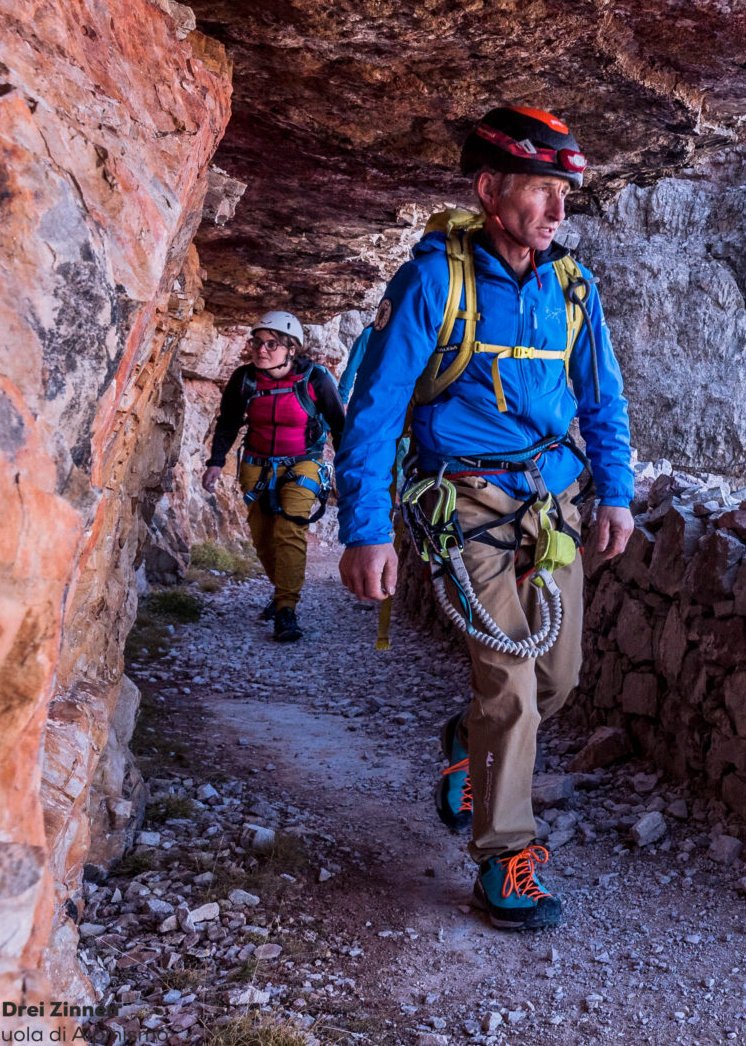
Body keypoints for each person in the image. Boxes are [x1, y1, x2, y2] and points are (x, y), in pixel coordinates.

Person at [335, 106, 635, 932]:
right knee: (511, 681)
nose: (558, 212)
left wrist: (616, 491)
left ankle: (467, 739)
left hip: (551, 505)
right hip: (463, 502)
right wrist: (364, 529)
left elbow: (602, 400)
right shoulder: (436, 279)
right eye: (544, 191)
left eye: (564, 193)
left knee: (557, 678)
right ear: (490, 189)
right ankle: (505, 858)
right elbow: (376, 408)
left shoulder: (572, 288)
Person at [202, 311, 346, 644]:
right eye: (257, 342)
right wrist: (215, 461)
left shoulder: (315, 379)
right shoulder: (244, 379)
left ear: (291, 348)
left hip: (303, 464)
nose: (261, 350)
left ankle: (286, 610)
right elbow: (228, 422)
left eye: (271, 344)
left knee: (289, 529)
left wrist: (349, 475)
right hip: (256, 465)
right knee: (263, 536)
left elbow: (339, 427)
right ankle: (282, 591)